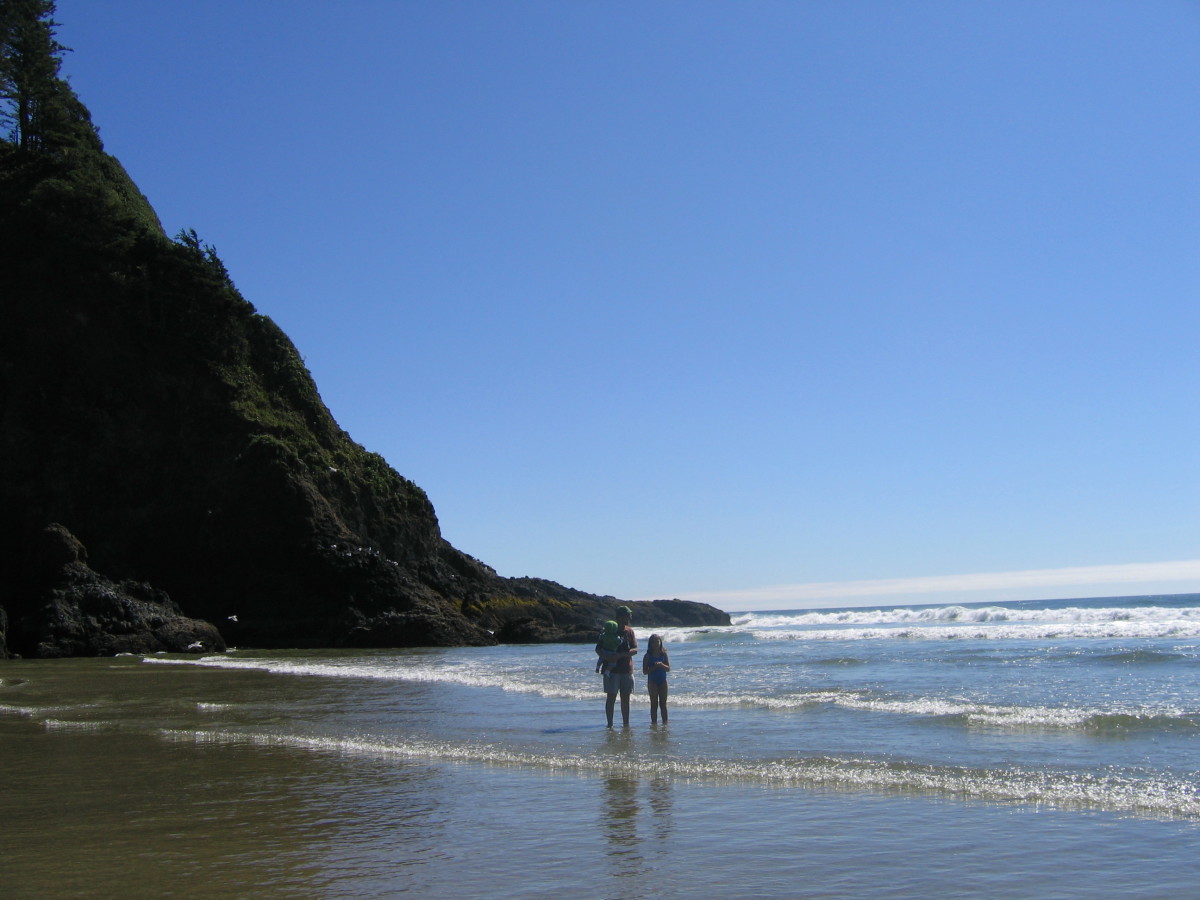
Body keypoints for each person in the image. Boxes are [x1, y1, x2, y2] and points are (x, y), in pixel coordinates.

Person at [596, 605, 638, 727]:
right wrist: (607, 657)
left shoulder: (629, 631)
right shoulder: (607, 630)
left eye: (629, 615)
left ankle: (626, 724)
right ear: (620, 617)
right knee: (611, 698)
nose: (629, 617)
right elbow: (598, 649)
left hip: (627, 670)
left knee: (626, 699)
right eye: (627, 615)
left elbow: (635, 650)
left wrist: (620, 655)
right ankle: (610, 724)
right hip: (611, 671)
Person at [642, 633, 670, 724]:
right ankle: (654, 724)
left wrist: (661, 665)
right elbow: (645, 671)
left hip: (663, 681)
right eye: (653, 642)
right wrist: (654, 667)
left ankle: (665, 723)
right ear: (650, 644)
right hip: (652, 681)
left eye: (657, 641)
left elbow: (668, 669)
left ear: (660, 642)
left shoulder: (664, 653)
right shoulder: (647, 656)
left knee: (663, 704)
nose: (655, 644)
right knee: (654, 704)